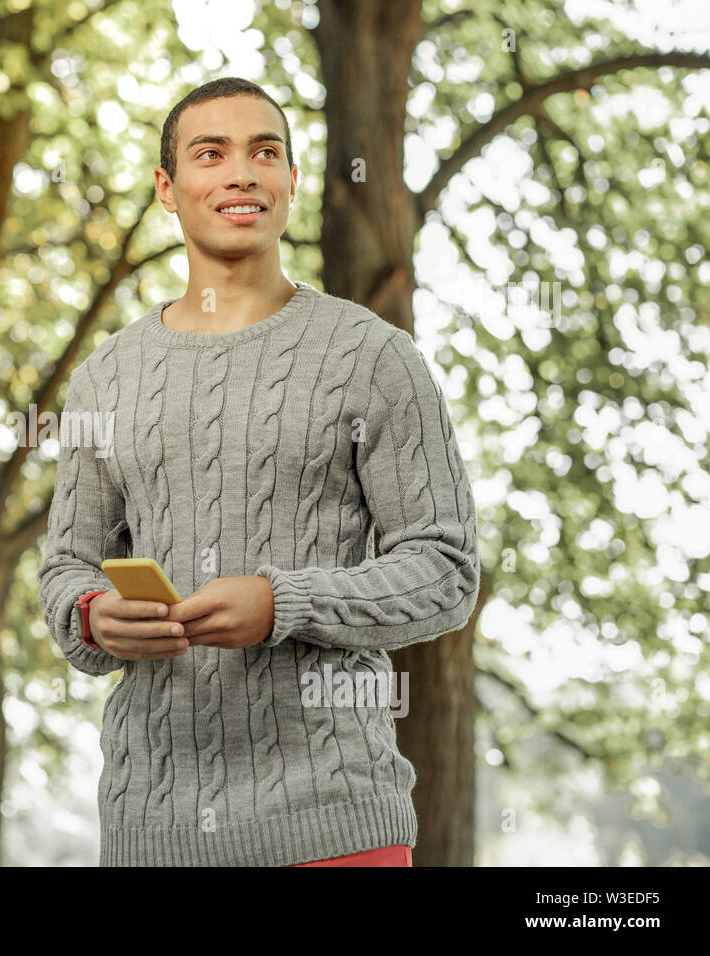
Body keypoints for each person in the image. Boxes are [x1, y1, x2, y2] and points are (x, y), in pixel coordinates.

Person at [37, 77, 481, 866]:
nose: (241, 173)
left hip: (338, 822)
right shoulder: (106, 377)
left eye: (263, 152)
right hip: (153, 828)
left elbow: (445, 570)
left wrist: (286, 602)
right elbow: (67, 567)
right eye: (212, 154)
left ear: (290, 181)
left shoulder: (373, 356)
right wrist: (92, 617)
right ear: (169, 190)